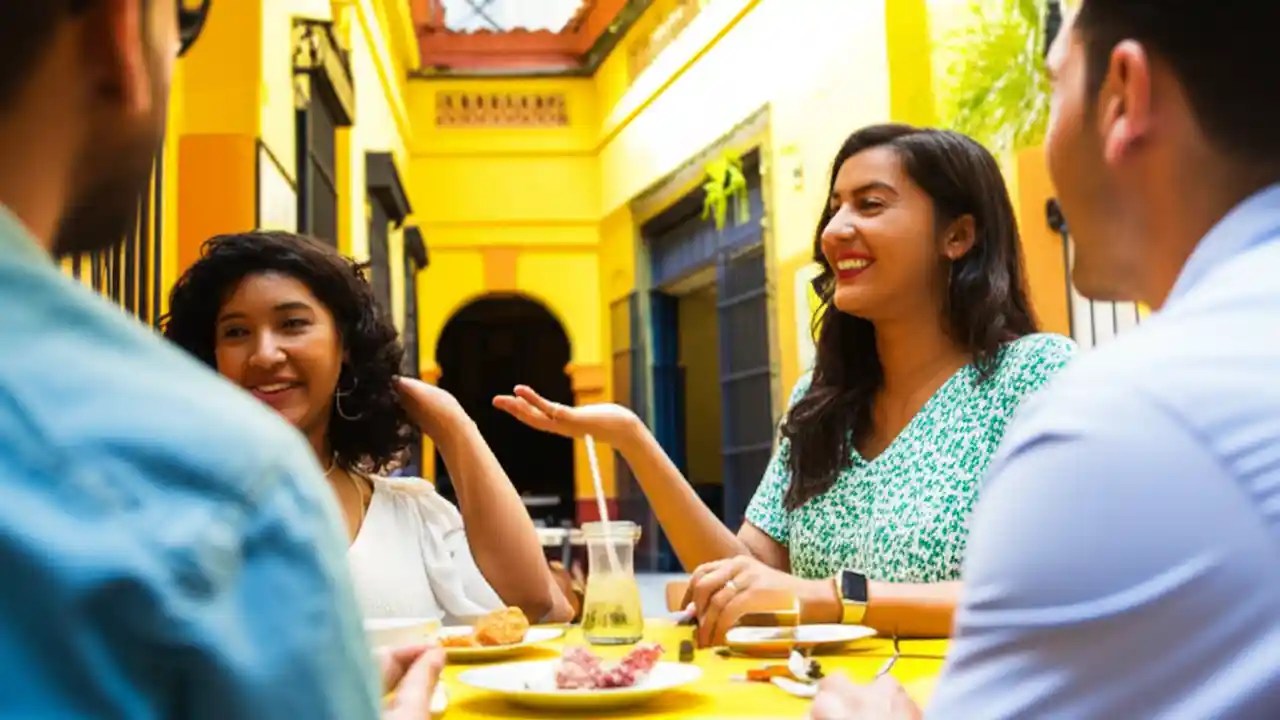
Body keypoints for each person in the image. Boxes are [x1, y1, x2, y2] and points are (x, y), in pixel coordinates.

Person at [812, 2, 1280, 718]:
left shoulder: (1120, 413)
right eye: (835, 207)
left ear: (1123, 94)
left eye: (1053, 86)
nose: (838, 229)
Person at [0, 3, 435, 717]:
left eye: (294, 325)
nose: (267, 355)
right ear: (120, 32)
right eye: (184, 26)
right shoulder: (227, 482)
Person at [498, 124, 1076, 646]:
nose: (836, 230)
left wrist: (833, 599)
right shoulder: (822, 405)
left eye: (870, 205)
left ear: (958, 236)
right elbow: (744, 576)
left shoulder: (1031, 378)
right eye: (835, 208)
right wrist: (633, 439)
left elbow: (1047, 592)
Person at [163, 231, 574, 624]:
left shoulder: (407, 513)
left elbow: (537, 606)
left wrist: (453, 425)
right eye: (236, 332)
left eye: (292, 324)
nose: (265, 355)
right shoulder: (172, 505)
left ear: (344, 346)